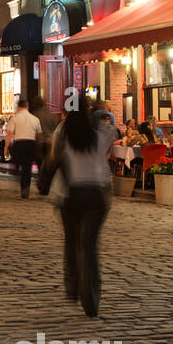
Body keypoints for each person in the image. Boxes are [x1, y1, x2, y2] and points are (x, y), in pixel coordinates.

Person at [53, 96, 119, 318]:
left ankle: (72, 286)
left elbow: (53, 157)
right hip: (96, 194)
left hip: (70, 193)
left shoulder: (63, 131)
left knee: (71, 240)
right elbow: (116, 131)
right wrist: (102, 114)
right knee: (89, 245)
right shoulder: (100, 131)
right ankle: (91, 296)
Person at [4, 97, 41, 199]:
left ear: (18, 107)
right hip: (31, 143)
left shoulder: (14, 118)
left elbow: (9, 134)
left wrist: (6, 148)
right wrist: (38, 146)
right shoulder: (35, 119)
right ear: (27, 107)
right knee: (27, 167)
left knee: (18, 162)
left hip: (19, 143)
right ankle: (26, 188)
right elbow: (39, 134)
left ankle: (16, 170)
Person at [30, 95, 60, 196]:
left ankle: (41, 184)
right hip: (50, 142)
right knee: (49, 166)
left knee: (40, 164)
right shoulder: (52, 115)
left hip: (39, 142)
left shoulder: (34, 115)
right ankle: (46, 186)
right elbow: (56, 128)